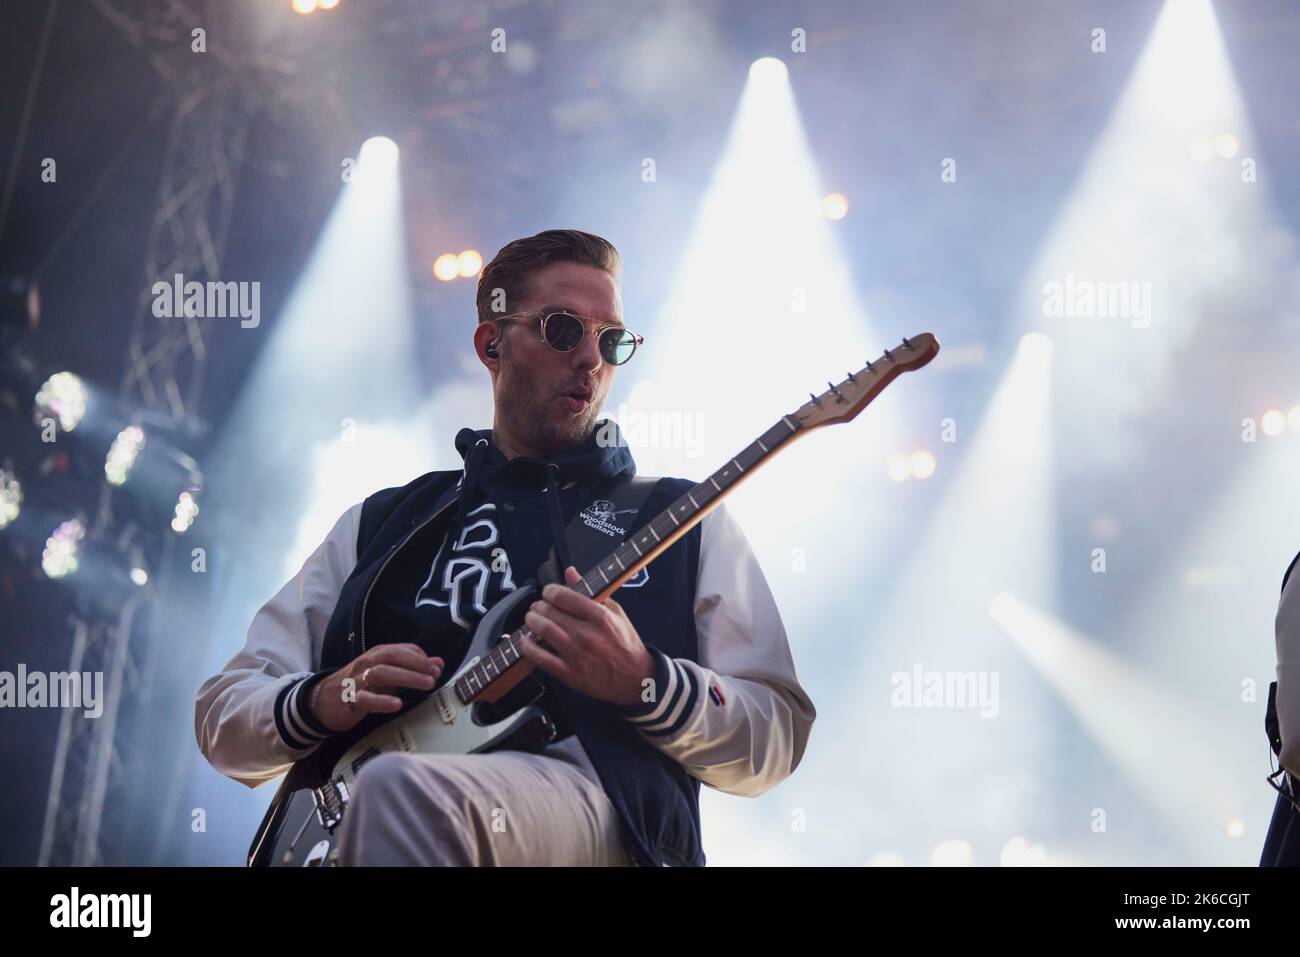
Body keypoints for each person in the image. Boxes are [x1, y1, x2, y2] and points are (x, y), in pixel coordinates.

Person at [195, 228, 815, 866]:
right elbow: (222, 715)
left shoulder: (681, 517)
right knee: (396, 792)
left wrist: (646, 682)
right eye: (564, 329)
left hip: (598, 811)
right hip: (361, 819)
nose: (591, 361)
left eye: (611, 341)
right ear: (491, 343)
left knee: (403, 792)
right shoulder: (382, 522)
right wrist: (329, 697)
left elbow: (776, 731)